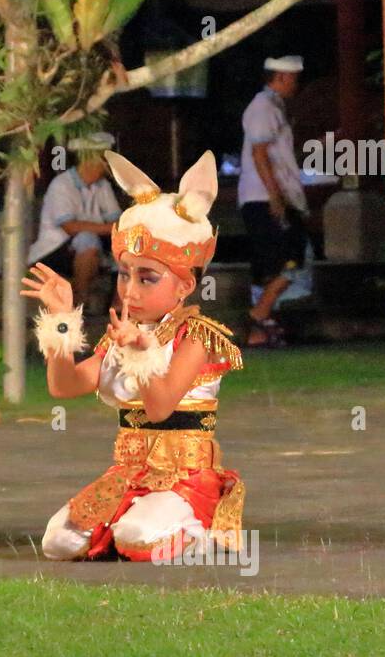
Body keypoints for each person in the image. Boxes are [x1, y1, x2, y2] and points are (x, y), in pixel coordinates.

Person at [25, 148, 246, 562]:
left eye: (147, 278)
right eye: (126, 274)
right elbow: (64, 385)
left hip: (185, 478)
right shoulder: (121, 337)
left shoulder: (198, 338)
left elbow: (160, 407)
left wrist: (140, 355)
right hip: (128, 474)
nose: (130, 290)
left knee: (136, 539)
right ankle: (139, 520)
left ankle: (202, 527)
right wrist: (60, 319)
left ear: (183, 286)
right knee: (58, 542)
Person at [240, 55, 311, 347]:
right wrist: (275, 196)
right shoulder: (264, 107)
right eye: (293, 78)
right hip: (264, 196)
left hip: (270, 195)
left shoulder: (273, 106)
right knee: (291, 257)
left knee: (271, 261)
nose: (296, 84)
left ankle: (260, 328)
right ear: (281, 77)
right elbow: (260, 154)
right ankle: (259, 313)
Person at [27, 132, 124, 314]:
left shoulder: (102, 186)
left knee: (125, 246)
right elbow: (70, 227)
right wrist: (114, 229)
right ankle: (79, 299)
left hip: (86, 246)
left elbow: (115, 219)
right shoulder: (61, 185)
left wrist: (118, 230)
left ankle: (117, 304)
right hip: (53, 251)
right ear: (92, 160)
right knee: (87, 240)